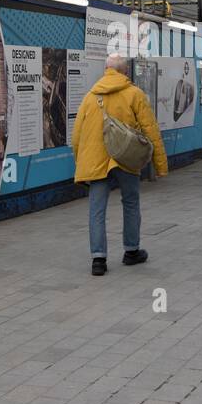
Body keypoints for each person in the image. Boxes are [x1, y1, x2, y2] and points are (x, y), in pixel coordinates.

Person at [71, 54, 168, 277]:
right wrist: (160, 166)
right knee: (131, 203)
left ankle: (98, 259)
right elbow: (150, 130)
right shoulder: (134, 94)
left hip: (96, 161)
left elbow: (76, 136)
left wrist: (80, 164)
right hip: (126, 158)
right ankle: (131, 251)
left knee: (97, 210)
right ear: (125, 72)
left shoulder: (90, 97)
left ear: (106, 70)